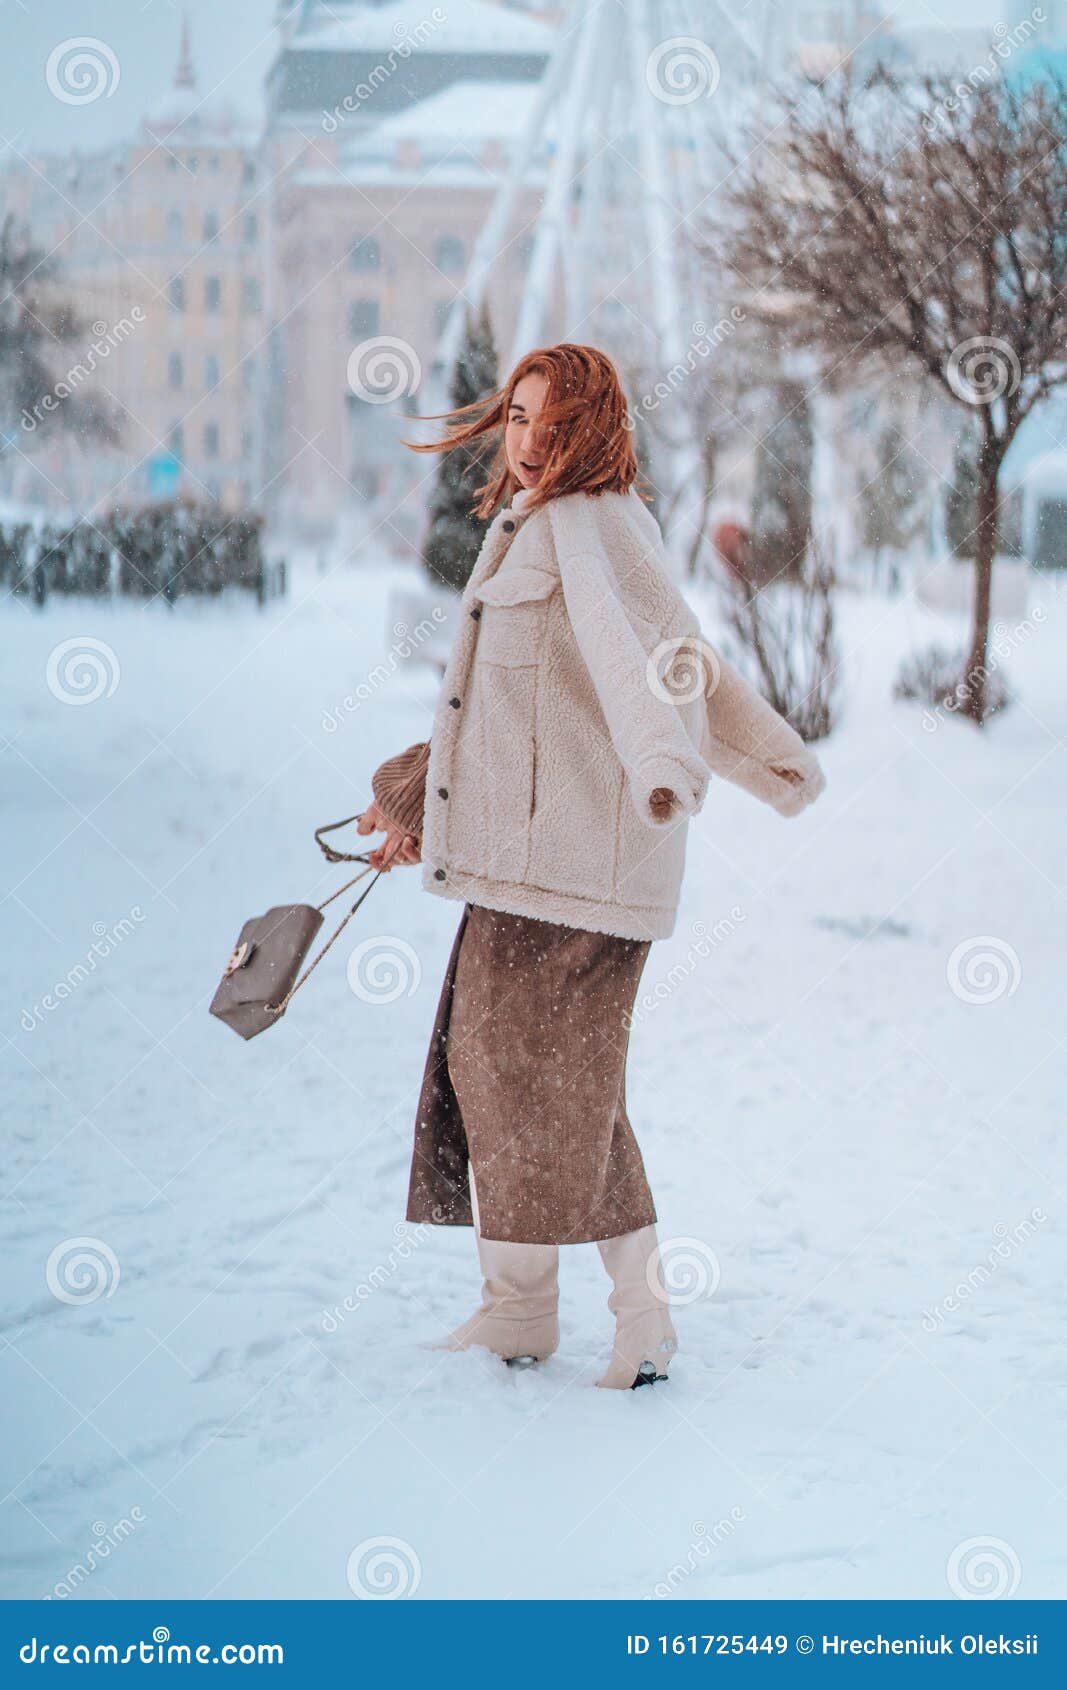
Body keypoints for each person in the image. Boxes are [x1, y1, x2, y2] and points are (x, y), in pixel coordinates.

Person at [358, 343, 825, 1389]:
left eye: (549, 421)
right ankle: (516, 1312)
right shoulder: (543, 524)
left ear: (594, 426)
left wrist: (674, 764)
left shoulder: (590, 522)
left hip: (584, 874)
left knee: (568, 1098)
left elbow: (653, 668)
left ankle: (640, 1319)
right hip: (530, 863)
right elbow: (505, 712)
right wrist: (411, 805)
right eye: (515, 418)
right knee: (491, 1081)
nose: (526, 442)